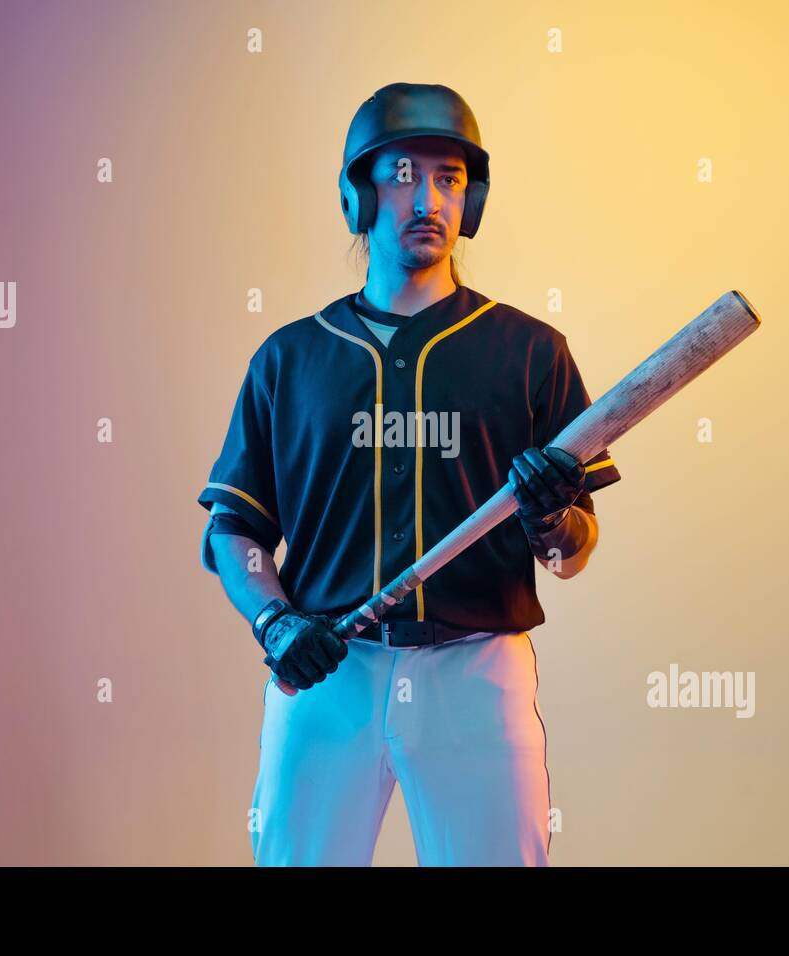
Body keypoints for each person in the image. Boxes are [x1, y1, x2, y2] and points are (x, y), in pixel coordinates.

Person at [197, 82, 621, 865]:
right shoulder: (292, 358)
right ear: (360, 194)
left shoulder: (530, 352)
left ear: (472, 198)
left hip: (477, 671)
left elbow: (572, 555)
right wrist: (275, 621)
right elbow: (233, 530)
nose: (426, 198)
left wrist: (550, 519)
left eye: (450, 178)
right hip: (328, 671)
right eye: (401, 174)